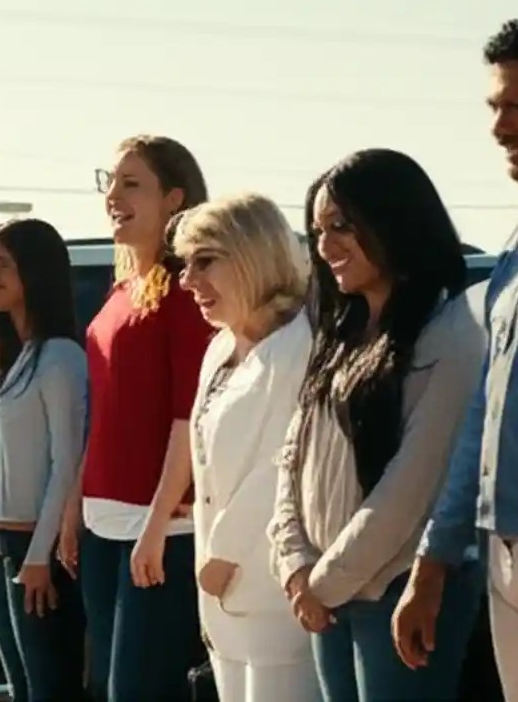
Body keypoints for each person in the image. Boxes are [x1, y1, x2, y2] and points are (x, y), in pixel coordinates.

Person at [267, 148, 487, 701]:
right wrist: (297, 565)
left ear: (395, 221)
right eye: (318, 230)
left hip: (400, 593)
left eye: (342, 226)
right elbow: (292, 459)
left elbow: (413, 484)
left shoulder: (451, 334)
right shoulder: (339, 336)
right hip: (326, 594)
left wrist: (323, 583)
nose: (325, 246)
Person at [394, 13, 518, 700]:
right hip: (507, 562)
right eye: (495, 105)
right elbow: (486, 410)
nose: (500, 126)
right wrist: (434, 557)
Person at [58, 134, 214, 701]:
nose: (113, 196)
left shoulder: (186, 291)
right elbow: (102, 411)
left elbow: (187, 419)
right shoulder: (123, 288)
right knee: (105, 687)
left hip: (162, 532)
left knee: (139, 690)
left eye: (132, 184)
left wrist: (153, 529)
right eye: (111, 182)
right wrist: (75, 505)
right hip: (103, 526)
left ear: (174, 198)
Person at [173, 192, 322, 702]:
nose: (188, 280)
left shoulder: (299, 347)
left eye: (205, 261)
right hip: (222, 600)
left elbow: (285, 462)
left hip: (273, 596)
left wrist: (226, 552)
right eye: (186, 265)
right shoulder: (219, 347)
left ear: (253, 255)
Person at [0, 217, 87, 702]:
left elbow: (68, 463)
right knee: (20, 689)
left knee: (48, 690)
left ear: (34, 274)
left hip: (38, 550)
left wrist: (40, 556)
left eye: (5, 264)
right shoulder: (7, 362)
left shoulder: (60, 358)